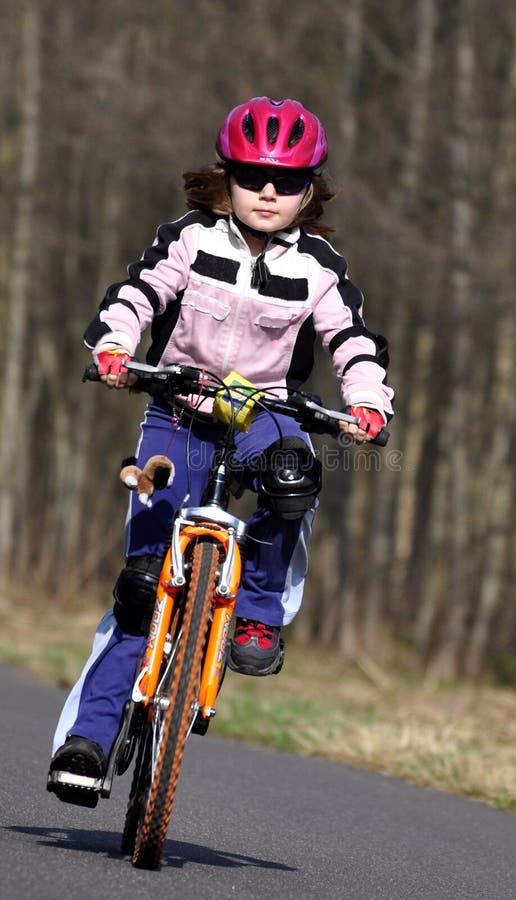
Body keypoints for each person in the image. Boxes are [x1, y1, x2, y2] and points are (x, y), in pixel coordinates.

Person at [47, 97, 394, 806]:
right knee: (143, 587)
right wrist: (115, 348)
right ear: (225, 177)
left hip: (265, 413)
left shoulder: (320, 266)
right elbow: (138, 295)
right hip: (179, 408)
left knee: (295, 474)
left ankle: (258, 613)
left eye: (287, 181)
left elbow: (352, 340)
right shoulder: (190, 239)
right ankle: (88, 738)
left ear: (310, 190)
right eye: (252, 176)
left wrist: (367, 403)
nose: (268, 192)